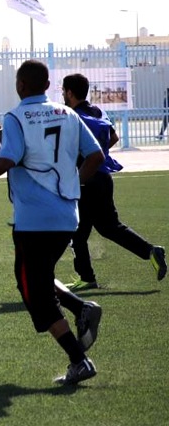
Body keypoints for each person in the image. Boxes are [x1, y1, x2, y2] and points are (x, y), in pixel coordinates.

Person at [0, 60, 106, 385]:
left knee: (32, 290)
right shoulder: (69, 114)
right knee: (38, 277)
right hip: (67, 217)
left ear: (20, 85)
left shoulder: (16, 116)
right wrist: (73, 184)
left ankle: (80, 359)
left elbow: (7, 159)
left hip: (34, 219)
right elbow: (96, 156)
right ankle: (81, 309)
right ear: (48, 85)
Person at [61, 73, 166, 289]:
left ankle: (87, 278)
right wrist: (99, 153)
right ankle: (151, 251)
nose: (62, 94)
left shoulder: (72, 116)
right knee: (110, 227)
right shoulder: (99, 111)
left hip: (84, 179)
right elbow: (114, 137)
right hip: (103, 177)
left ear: (69, 92)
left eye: (63, 91)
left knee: (77, 232)